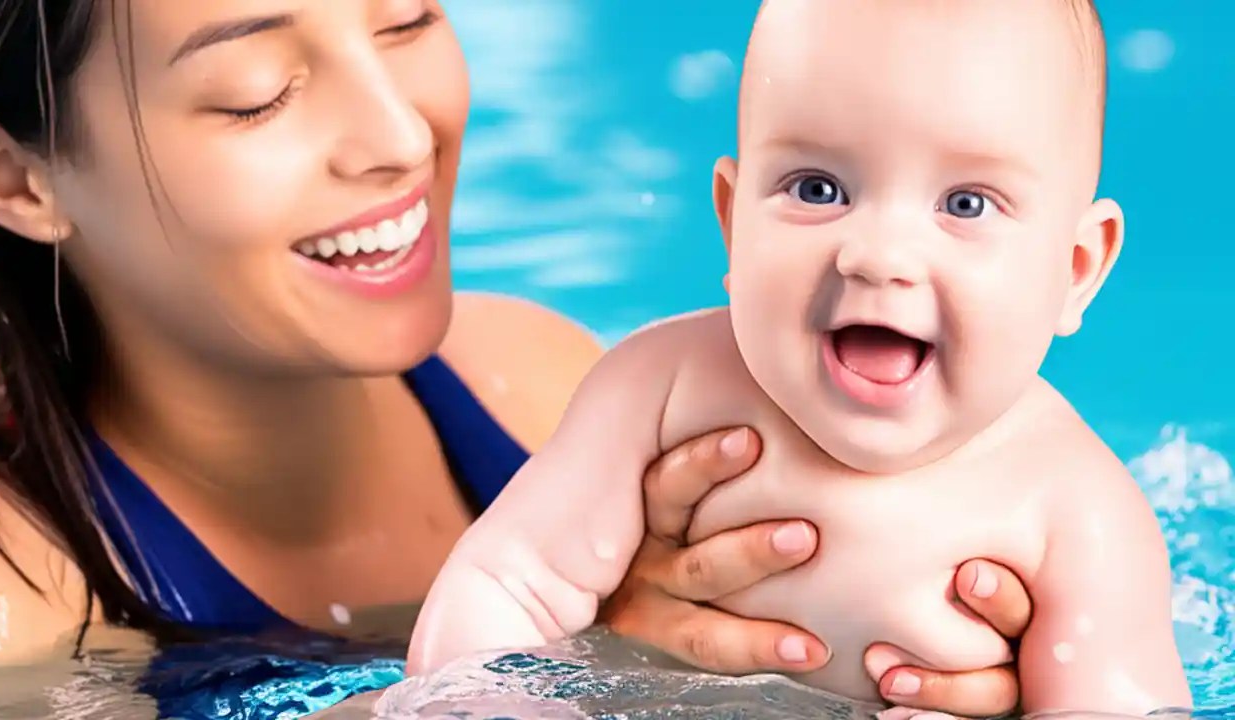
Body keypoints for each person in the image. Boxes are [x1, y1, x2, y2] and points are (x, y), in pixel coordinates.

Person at [0, 0, 1033, 716]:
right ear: (15, 179)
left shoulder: (533, 385)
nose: (396, 135)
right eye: (255, 91)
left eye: (406, 17)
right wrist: (596, 666)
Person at [407, 0, 1194, 716]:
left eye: (966, 204)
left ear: (1076, 269)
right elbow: (506, 585)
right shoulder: (659, 389)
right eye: (817, 189)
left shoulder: (1079, 511)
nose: (879, 255)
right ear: (731, 220)